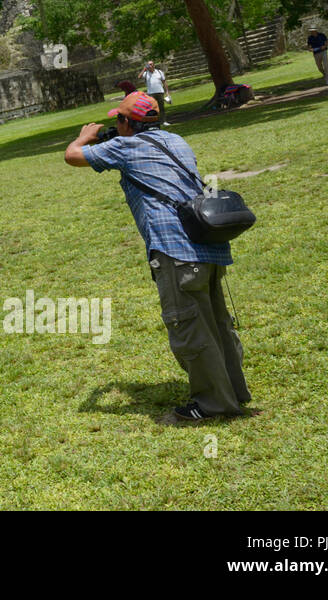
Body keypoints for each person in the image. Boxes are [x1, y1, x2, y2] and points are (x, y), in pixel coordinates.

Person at [64, 91, 251, 421]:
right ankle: (233, 391)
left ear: (127, 123)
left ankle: (213, 405)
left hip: (174, 248)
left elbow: (73, 156)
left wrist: (85, 136)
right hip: (207, 243)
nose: (115, 124)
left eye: (118, 119)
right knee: (218, 323)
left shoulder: (126, 146)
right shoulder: (177, 141)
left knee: (190, 326)